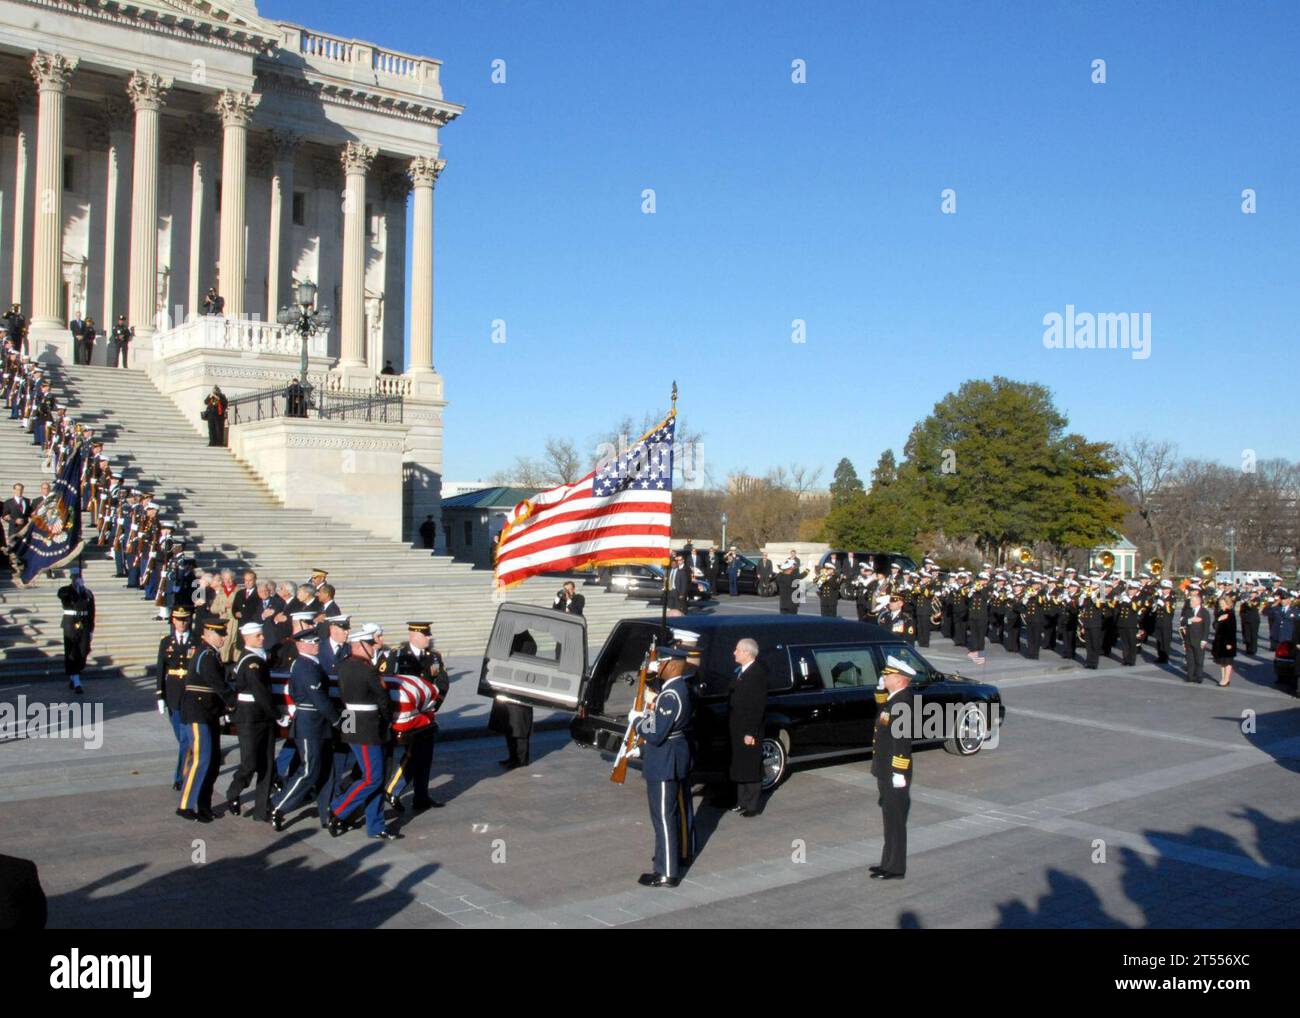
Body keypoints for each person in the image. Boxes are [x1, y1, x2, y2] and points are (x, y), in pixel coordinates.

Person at [328, 624, 398, 840]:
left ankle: (376, 825)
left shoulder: (342, 665)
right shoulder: (367, 669)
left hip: (351, 720)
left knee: (371, 774)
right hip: (367, 726)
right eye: (368, 643)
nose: (372, 646)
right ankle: (339, 808)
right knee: (373, 777)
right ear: (359, 645)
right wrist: (388, 722)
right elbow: (383, 699)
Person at [632, 655, 696, 888]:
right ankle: (668, 858)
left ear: (671, 666)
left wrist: (638, 721)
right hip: (673, 755)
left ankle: (667, 872)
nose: (657, 667)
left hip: (665, 760)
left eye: (661, 664)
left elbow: (657, 733)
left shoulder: (671, 695)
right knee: (670, 814)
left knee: (663, 817)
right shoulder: (679, 688)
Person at [271, 626, 343, 831]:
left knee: (327, 771)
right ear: (302, 645)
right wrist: (340, 722)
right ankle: (278, 805)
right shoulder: (304, 666)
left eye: (317, 642)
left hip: (320, 724)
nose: (317, 645)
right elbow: (319, 699)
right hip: (310, 724)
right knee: (309, 771)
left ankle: (326, 812)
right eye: (313, 643)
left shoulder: (311, 664)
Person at [386, 622, 450, 812]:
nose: (429, 638)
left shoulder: (434, 657)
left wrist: (433, 706)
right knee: (413, 754)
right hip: (406, 715)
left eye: (429, 634)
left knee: (425, 756)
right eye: (425, 635)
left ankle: (421, 796)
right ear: (414, 635)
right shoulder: (397, 656)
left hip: (426, 715)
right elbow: (388, 683)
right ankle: (392, 790)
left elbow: (443, 683)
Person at [224, 623, 281, 821]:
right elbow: (261, 693)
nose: (262, 638)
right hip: (250, 717)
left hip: (262, 716)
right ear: (247, 638)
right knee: (250, 763)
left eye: (262, 635)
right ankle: (233, 791)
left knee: (267, 763)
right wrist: (277, 714)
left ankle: (262, 807)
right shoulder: (252, 662)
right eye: (258, 636)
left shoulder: (258, 657)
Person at [177, 620, 233, 822]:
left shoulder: (211, 654)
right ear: (208, 633)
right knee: (202, 759)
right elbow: (218, 684)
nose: (224, 637)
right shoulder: (206, 655)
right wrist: (233, 702)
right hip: (198, 713)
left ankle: (203, 806)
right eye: (220, 634)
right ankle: (185, 805)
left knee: (212, 761)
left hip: (209, 712)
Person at [870, 656, 915, 880]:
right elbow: (882, 711)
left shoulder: (903, 703)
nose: (884, 678)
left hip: (894, 772)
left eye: (887, 676)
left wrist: (898, 772)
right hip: (885, 770)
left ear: (899, 679)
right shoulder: (895, 699)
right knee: (889, 819)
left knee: (896, 821)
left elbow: (902, 742)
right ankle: (887, 862)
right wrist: (880, 689)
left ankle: (895, 867)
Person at [155, 606, 196, 790]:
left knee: (186, 738)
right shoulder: (166, 642)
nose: (182, 623)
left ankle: (180, 777)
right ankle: (193, 761)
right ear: (173, 620)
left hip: (190, 693)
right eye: (179, 619)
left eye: (185, 619)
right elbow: (160, 669)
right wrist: (160, 694)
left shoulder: (196, 641)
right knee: (181, 737)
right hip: (172, 692)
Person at [727, 638, 767, 817]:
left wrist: (751, 732)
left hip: (749, 729)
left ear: (747, 653)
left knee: (750, 766)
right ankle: (741, 801)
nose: (734, 653)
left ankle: (752, 805)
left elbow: (757, 706)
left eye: (737, 650)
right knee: (740, 764)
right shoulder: (742, 671)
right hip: (738, 727)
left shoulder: (756, 674)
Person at [489, 630, 536, 768]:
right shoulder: (510, 637)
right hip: (507, 686)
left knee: (519, 727)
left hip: (519, 688)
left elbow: (523, 662)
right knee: (509, 725)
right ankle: (512, 756)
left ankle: (521, 759)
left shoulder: (528, 641)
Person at [55, 567, 94, 694]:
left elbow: (92, 611)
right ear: (71, 578)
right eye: (74, 577)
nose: (77, 579)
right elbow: (63, 596)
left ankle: (74, 676)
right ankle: (77, 681)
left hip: (83, 623)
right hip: (71, 623)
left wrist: (91, 629)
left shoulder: (87, 593)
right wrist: (76, 590)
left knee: (83, 651)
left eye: (78, 577)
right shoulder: (66, 591)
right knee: (72, 651)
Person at [1180, 589, 1211, 684]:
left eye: (1192, 601)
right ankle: (1190, 676)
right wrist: (1191, 620)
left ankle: (1199, 676)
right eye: (1190, 601)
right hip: (1189, 638)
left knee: (1199, 659)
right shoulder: (1189, 611)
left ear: (1198, 602)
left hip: (1199, 639)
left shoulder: (1204, 612)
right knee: (1190, 659)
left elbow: (1206, 627)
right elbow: (1183, 621)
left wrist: (1204, 640)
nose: (1190, 603)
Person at [1212, 594, 1237, 688]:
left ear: (1227, 603)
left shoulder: (1230, 614)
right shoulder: (1219, 613)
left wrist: (1230, 643)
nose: (1221, 605)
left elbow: (1232, 629)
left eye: (1223, 603)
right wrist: (1219, 619)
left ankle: (1227, 679)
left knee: (1228, 661)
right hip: (1220, 640)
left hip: (1228, 640)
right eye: (1220, 603)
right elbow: (1214, 626)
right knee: (1222, 661)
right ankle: (1223, 678)